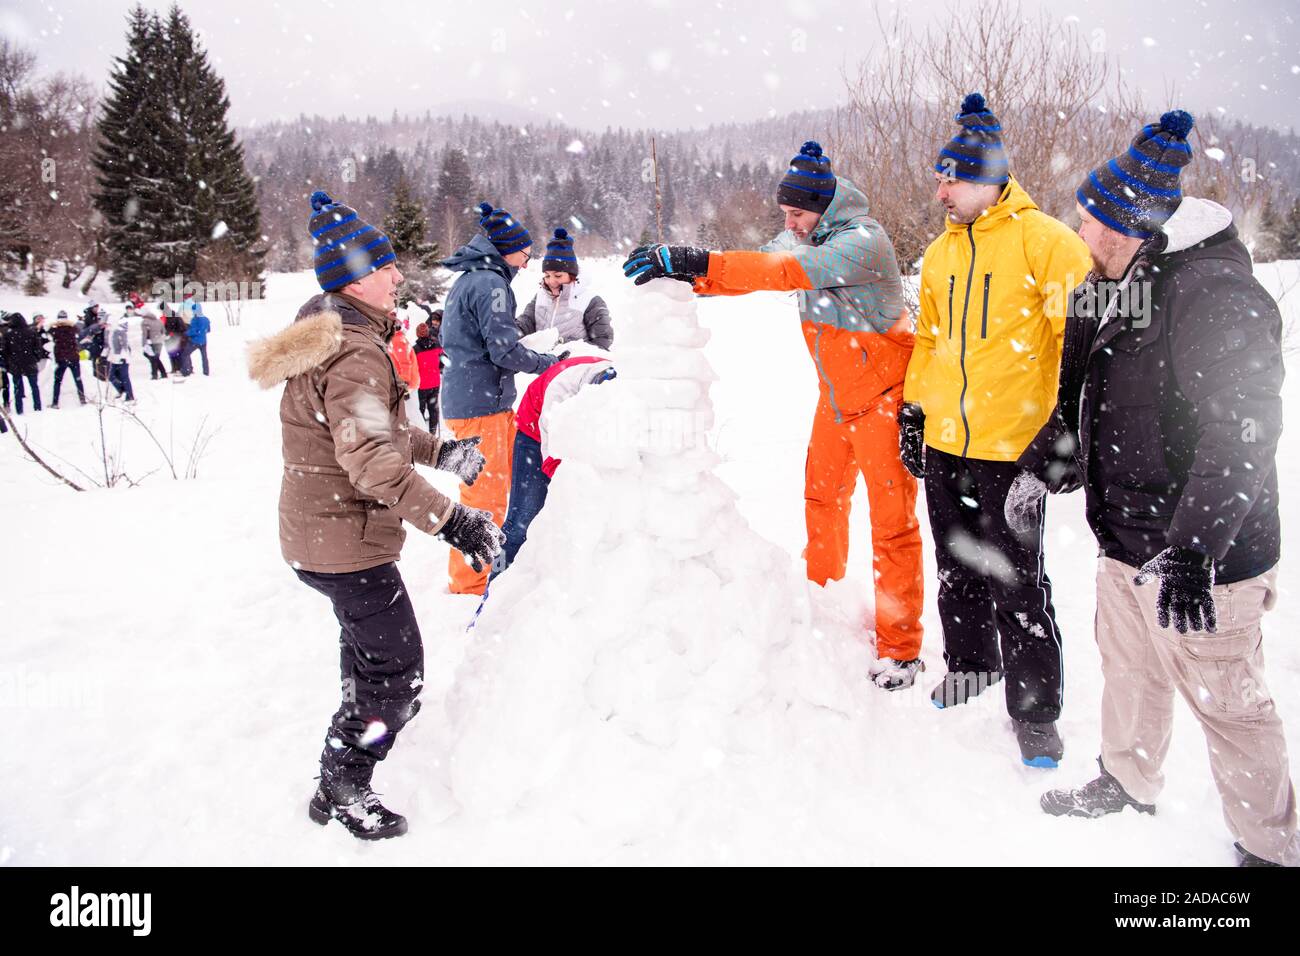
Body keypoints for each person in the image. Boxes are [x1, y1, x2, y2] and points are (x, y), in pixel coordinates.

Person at [1024, 111, 1298, 867]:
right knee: (1132, 671)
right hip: (1127, 535)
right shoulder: (1107, 283)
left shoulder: (1215, 293)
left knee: (1229, 704)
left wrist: (1194, 548)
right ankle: (1125, 779)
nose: (1080, 235)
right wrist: (1051, 461)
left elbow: (1245, 427)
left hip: (1202, 557)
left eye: (1090, 222)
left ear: (1132, 228)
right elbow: (1078, 387)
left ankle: (1271, 849)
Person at [621, 139, 925, 692]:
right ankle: (825, 604)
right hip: (836, 399)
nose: (790, 223)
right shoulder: (808, 233)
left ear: (824, 205)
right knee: (821, 500)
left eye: (797, 213)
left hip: (883, 399)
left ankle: (901, 649)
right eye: (785, 214)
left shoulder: (862, 241)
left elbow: (785, 270)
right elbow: (762, 265)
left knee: (891, 525)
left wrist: (699, 259)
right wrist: (693, 279)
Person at [247, 190, 501, 841]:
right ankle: (345, 780)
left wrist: (443, 451)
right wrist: (454, 522)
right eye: (387, 267)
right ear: (358, 277)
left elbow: (376, 433)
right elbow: (370, 463)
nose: (397, 276)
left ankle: (338, 773)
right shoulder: (356, 352)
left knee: (369, 658)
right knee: (401, 674)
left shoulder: (341, 339)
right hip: (345, 542)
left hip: (320, 537)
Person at [899, 94, 1092, 766]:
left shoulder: (1046, 242)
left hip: (1015, 450)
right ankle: (972, 665)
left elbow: (1088, 337)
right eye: (940, 178)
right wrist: (916, 411)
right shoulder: (939, 255)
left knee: (1017, 582)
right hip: (950, 442)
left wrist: (1068, 430)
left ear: (986, 180)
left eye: (949, 178)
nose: (940, 190)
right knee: (956, 567)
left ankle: (1036, 714)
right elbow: (928, 342)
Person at [440, 201, 561, 595]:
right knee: (484, 494)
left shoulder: (471, 279)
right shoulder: (491, 284)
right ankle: (470, 583)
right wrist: (546, 363)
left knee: (485, 488)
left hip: (470, 399)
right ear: (507, 249)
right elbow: (503, 350)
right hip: (481, 406)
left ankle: (480, 570)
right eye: (525, 256)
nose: (526, 265)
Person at [491, 354, 616, 579]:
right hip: (534, 434)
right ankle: (494, 582)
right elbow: (552, 458)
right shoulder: (561, 391)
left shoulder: (621, 389)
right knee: (521, 521)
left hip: (578, 431)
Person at [517, 228, 614, 349]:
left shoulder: (590, 301)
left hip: (576, 366)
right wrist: (510, 332)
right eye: (547, 275)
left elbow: (603, 341)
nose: (551, 281)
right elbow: (525, 323)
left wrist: (565, 347)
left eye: (558, 275)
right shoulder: (540, 297)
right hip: (543, 365)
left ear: (571, 274)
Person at [2, 312, 44, 414]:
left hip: (15, 364)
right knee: (34, 386)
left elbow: (4, 351)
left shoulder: (8, 334)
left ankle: (19, 409)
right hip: (30, 363)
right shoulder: (31, 332)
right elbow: (38, 348)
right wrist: (36, 358)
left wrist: (8, 363)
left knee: (17, 388)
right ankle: (38, 407)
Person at [412, 313, 442, 434]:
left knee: (420, 410)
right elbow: (443, 361)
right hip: (435, 382)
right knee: (434, 409)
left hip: (422, 385)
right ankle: (433, 434)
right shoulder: (437, 346)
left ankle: (423, 435)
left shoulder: (414, 350)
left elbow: (412, 366)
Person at [50, 310, 87, 407]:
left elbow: (48, 330)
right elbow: (79, 330)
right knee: (78, 379)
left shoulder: (55, 330)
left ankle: (55, 402)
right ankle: (82, 400)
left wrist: (55, 324)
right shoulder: (72, 329)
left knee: (57, 381)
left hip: (62, 359)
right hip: (73, 357)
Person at [104, 310, 135, 403]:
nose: (107, 325)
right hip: (114, 358)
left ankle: (130, 396)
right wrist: (104, 356)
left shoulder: (119, 331)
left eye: (109, 323)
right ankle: (121, 389)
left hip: (122, 358)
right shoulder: (110, 332)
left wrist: (123, 356)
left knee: (124, 376)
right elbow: (109, 346)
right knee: (111, 376)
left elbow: (125, 346)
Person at [140, 308, 168, 380]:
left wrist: (143, 343)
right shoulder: (159, 321)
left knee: (152, 358)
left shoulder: (145, 322)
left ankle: (154, 375)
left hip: (151, 342)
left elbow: (144, 334)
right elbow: (164, 331)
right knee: (155, 358)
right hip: (159, 342)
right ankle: (163, 373)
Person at [183, 301, 211, 376]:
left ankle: (186, 371)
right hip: (204, 341)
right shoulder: (206, 319)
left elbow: (194, 331)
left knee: (185, 354)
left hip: (194, 341)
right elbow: (208, 330)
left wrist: (186, 333)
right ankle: (206, 372)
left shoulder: (195, 319)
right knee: (204, 357)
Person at [163, 306, 188, 377]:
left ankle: (178, 369)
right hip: (172, 338)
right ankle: (175, 368)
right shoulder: (170, 317)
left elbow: (179, 328)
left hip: (176, 338)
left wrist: (171, 333)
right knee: (173, 354)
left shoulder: (172, 318)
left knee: (176, 354)